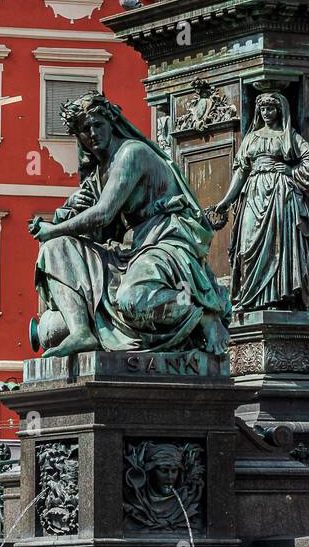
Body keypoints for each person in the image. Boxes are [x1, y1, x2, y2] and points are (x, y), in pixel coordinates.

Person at [28, 92, 230, 357]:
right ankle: (81, 332)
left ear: (111, 122)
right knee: (55, 249)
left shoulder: (131, 154)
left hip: (165, 242)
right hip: (129, 250)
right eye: (83, 130)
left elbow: (103, 214)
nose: (92, 134)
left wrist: (51, 229)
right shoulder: (99, 172)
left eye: (97, 125)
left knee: (131, 301)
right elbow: (100, 231)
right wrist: (68, 210)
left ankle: (202, 312)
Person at [208, 92, 309, 311]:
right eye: (262, 109)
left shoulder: (287, 136)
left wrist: (291, 170)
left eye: (270, 109)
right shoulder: (251, 137)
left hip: (280, 194)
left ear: (279, 111)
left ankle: (275, 297)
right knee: (248, 244)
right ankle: (249, 296)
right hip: (254, 191)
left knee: (277, 245)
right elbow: (241, 172)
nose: (266, 113)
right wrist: (224, 201)